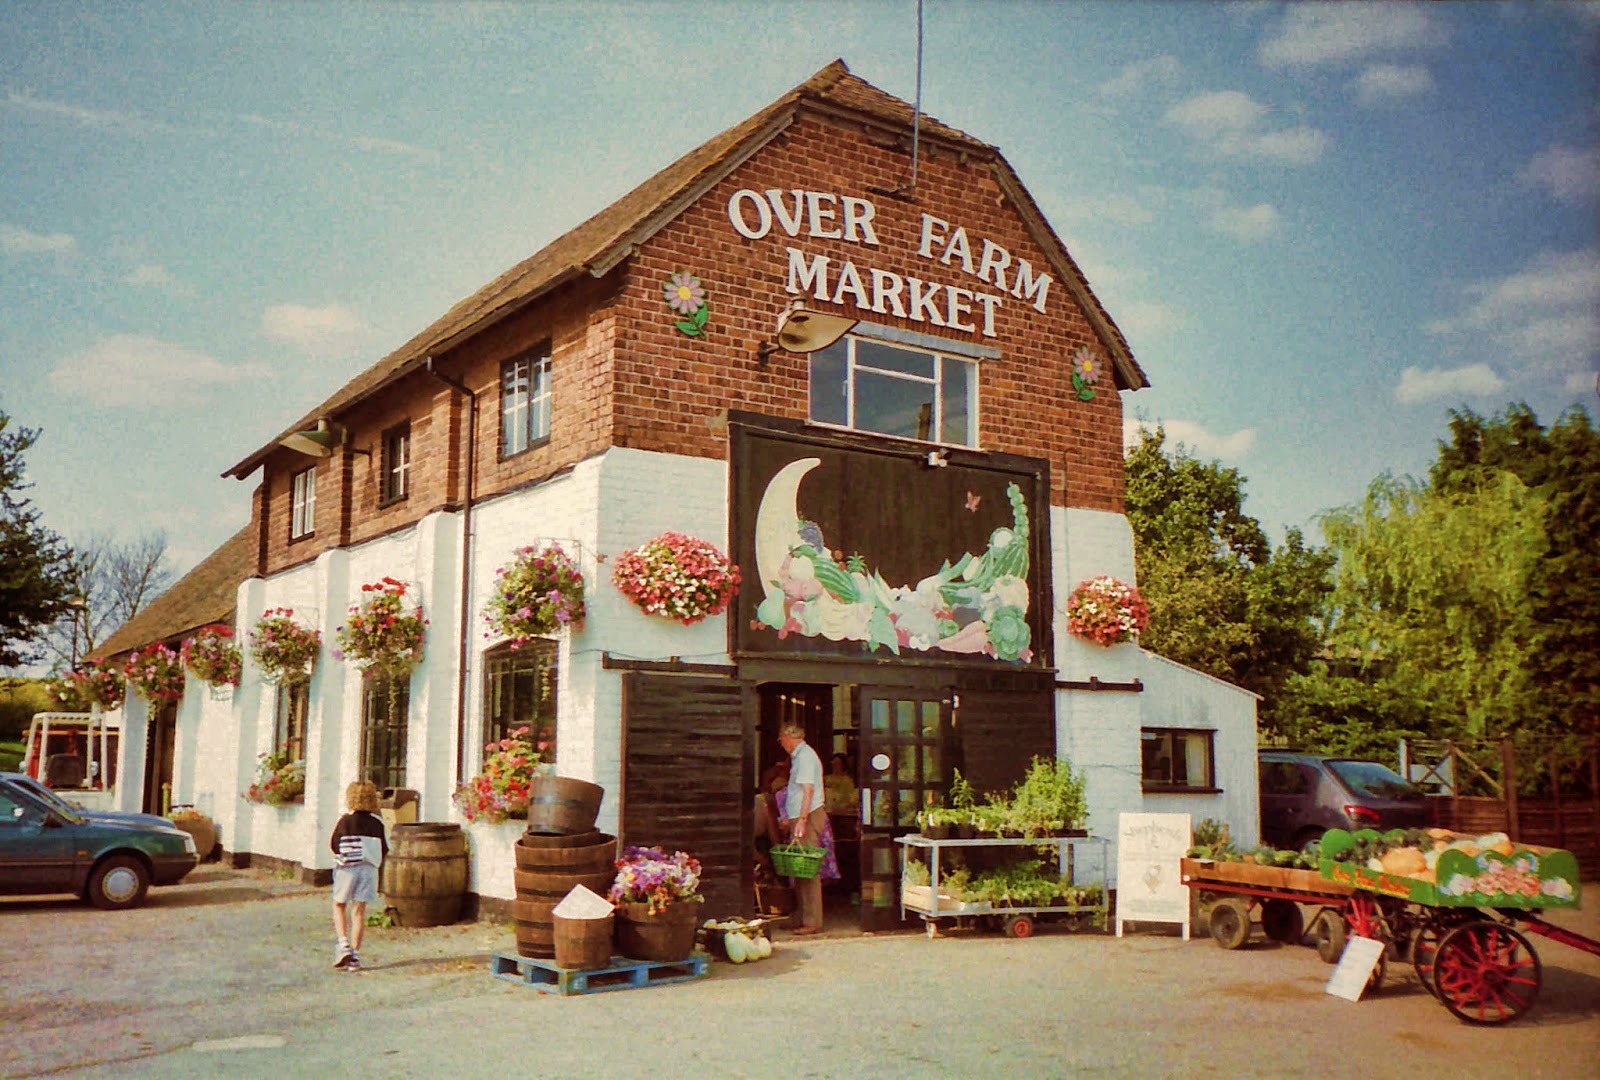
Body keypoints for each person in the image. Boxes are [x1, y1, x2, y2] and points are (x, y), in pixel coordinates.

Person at [329, 779, 388, 972]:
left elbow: (334, 844)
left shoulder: (345, 821)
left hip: (347, 869)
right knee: (359, 911)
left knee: (339, 904)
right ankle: (354, 956)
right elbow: (384, 848)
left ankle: (343, 944)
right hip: (369, 869)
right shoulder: (377, 823)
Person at [778, 721, 830, 935]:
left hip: (807, 817)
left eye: (781, 739)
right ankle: (801, 915)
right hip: (800, 817)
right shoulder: (800, 756)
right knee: (798, 868)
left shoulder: (806, 756)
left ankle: (812, 920)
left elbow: (808, 790)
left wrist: (802, 819)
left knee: (807, 868)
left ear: (790, 737)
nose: (781, 743)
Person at [823, 752, 857, 817]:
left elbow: (849, 798)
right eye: (833, 763)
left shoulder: (847, 781)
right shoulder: (826, 779)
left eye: (837, 764)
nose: (835, 766)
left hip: (841, 810)